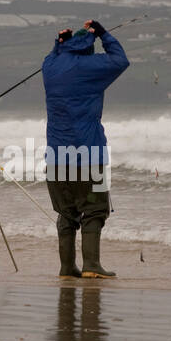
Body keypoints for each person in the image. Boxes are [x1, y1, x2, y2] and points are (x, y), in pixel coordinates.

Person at [41, 19, 129, 279]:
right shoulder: (92, 66)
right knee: (94, 210)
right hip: (88, 155)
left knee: (66, 213)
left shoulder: (50, 67)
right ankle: (91, 265)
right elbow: (121, 60)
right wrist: (103, 33)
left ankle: (67, 268)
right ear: (89, 47)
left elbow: (52, 55)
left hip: (56, 157)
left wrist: (59, 44)